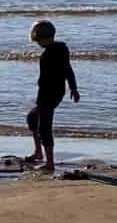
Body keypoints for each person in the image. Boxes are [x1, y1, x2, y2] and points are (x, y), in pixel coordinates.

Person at [26, 19, 80, 173]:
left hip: (50, 93)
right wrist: (73, 89)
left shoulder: (55, 51)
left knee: (44, 127)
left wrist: (74, 88)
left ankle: (50, 163)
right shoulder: (59, 49)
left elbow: (67, 70)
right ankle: (38, 153)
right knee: (32, 118)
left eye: (38, 41)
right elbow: (68, 69)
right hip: (49, 91)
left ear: (43, 37)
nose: (38, 44)